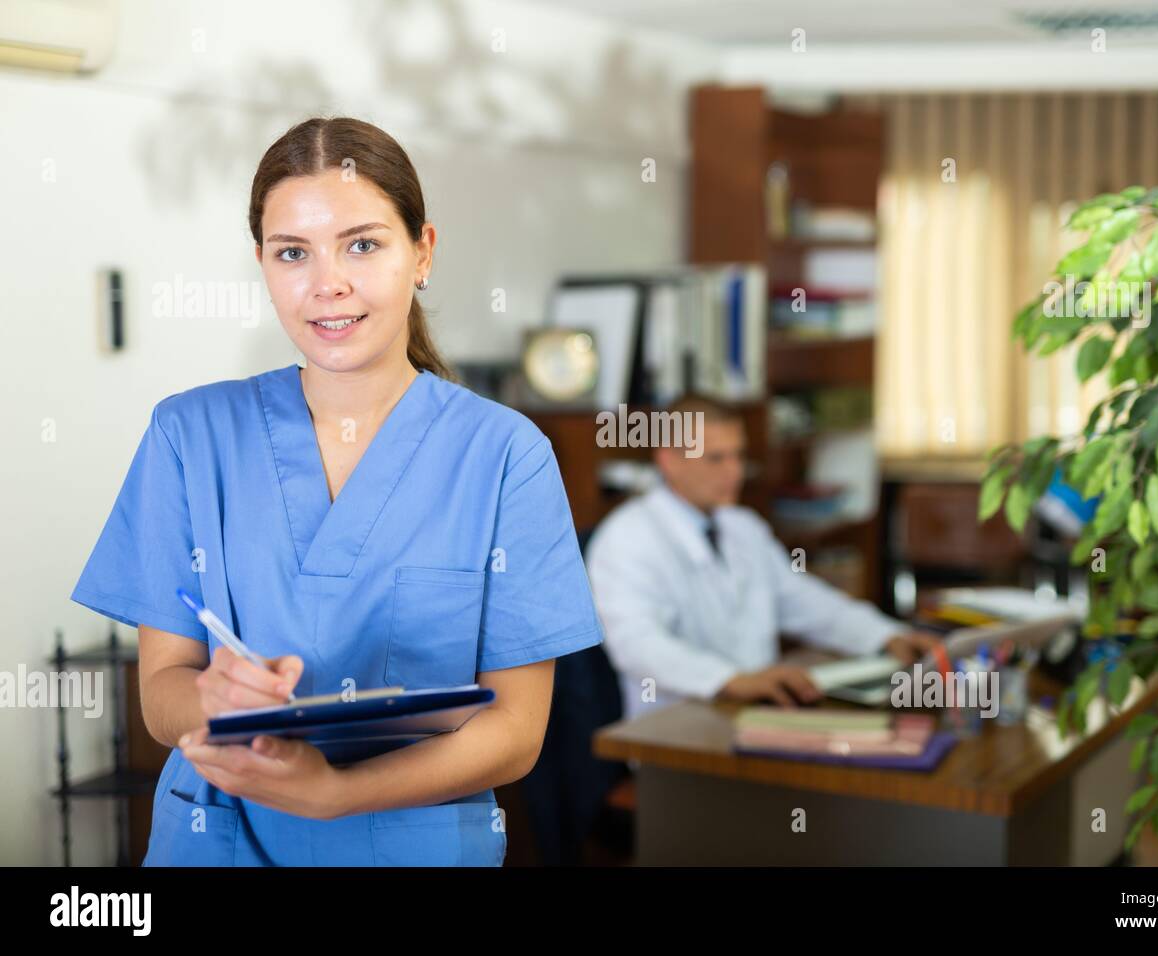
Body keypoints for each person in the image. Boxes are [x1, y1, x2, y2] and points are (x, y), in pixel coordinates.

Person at [69, 117, 604, 866]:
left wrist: (337, 794)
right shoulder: (187, 436)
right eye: (294, 252)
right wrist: (215, 698)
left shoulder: (505, 456)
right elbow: (163, 695)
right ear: (262, 263)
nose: (329, 284)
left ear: (422, 252)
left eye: (363, 244)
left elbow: (516, 734)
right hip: (215, 841)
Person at [584, 395, 938, 720]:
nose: (734, 472)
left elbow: (805, 601)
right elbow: (637, 645)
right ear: (669, 460)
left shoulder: (743, 527)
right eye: (716, 458)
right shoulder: (626, 538)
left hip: (757, 710)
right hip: (675, 725)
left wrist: (884, 636)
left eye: (739, 456)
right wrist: (732, 680)